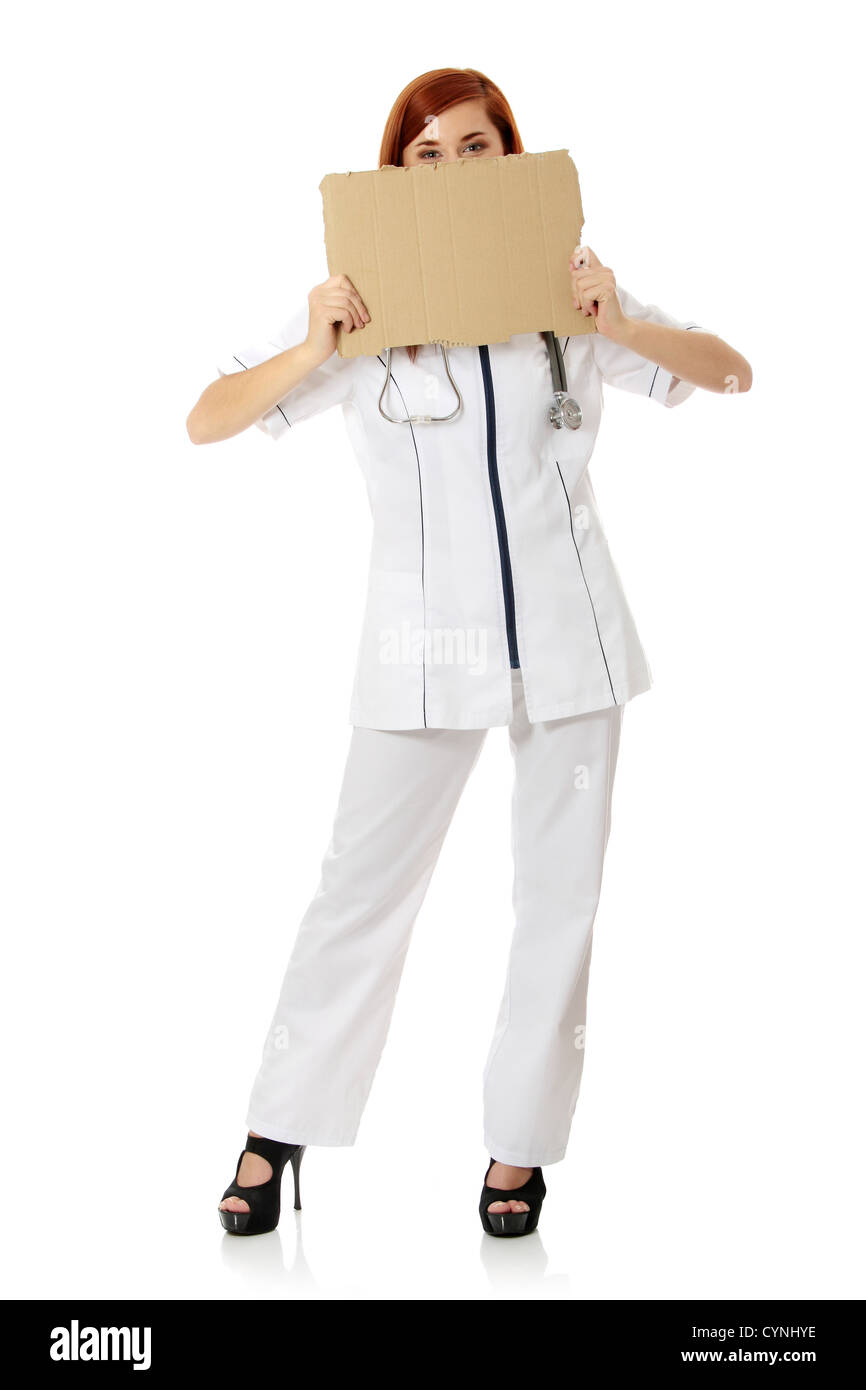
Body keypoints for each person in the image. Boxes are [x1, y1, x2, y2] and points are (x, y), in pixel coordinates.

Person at [187, 67, 752, 1239]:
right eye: (426, 153)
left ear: (513, 157)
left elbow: (728, 371)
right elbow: (206, 416)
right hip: (420, 646)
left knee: (559, 902)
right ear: (396, 175)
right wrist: (313, 345)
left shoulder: (567, 288)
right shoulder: (362, 304)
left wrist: (621, 324)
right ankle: (274, 1129)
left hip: (571, 635)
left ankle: (516, 1151)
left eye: (477, 145)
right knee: (357, 892)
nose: (453, 168)